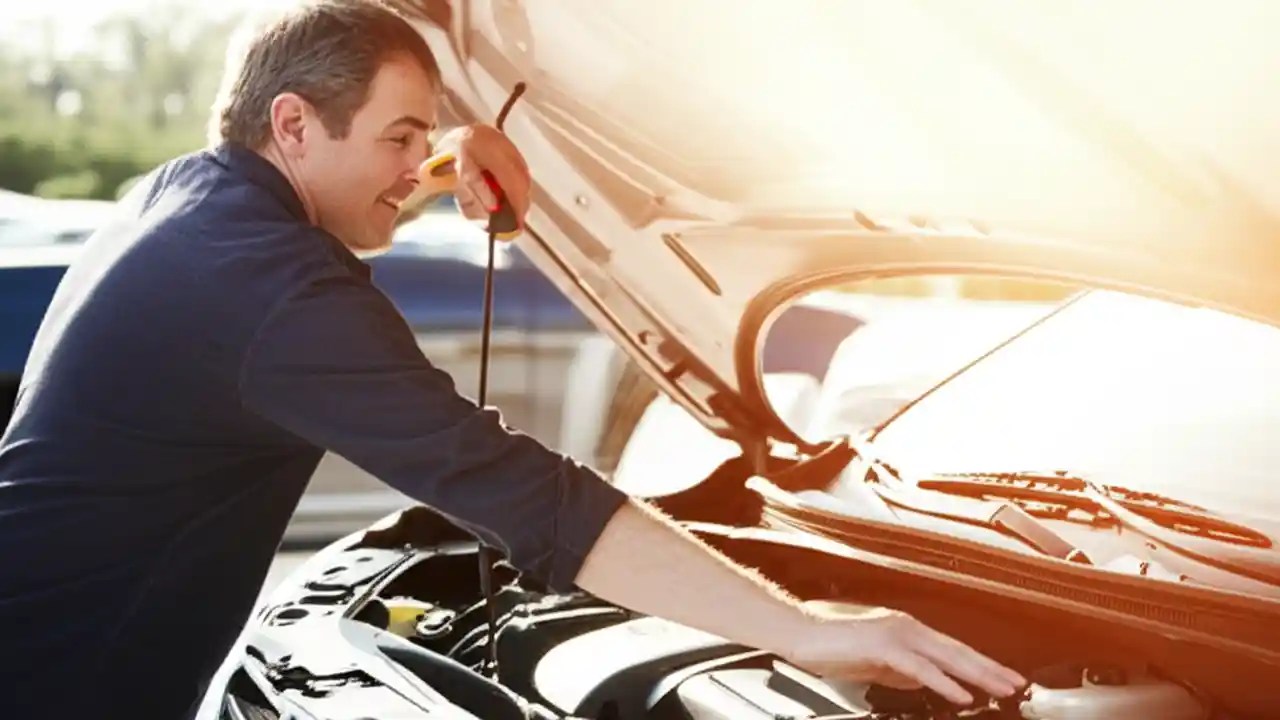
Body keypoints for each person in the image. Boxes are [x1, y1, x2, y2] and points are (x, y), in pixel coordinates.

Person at [0, 1, 1025, 717]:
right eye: (402, 140)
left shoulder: (185, 199)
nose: (416, 170)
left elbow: (333, 88)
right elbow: (529, 496)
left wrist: (447, 150)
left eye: (424, 143)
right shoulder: (276, 288)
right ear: (293, 124)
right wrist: (800, 631)